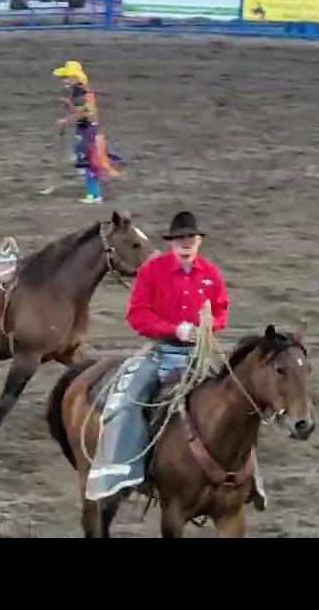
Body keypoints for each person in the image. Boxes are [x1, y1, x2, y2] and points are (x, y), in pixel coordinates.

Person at [85, 211, 268, 510]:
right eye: (181, 238)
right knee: (128, 401)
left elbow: (221, 310)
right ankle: (119, 474)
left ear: (198, 242)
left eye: (191, 238)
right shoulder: (151, 271)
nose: (186, 243)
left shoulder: (210, 273)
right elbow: (137, 315)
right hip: (160, 352)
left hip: (199, 353)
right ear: (172, 242)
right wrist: (174, 329)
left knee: (241, 400)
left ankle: (251, 481)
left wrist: (209, 325)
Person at [52, 60, 119, 205]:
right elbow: (82, 112)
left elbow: (86, 114)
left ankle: (94, 195)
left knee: (85, 163)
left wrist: (65, 121)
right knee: (86, 162)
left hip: (88, 132)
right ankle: (93, 194)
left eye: (67, 77)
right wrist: (69, 107)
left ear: (75, 77)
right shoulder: (81, 91)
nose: (64, 80)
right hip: (87, 131)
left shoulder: (81, 93)